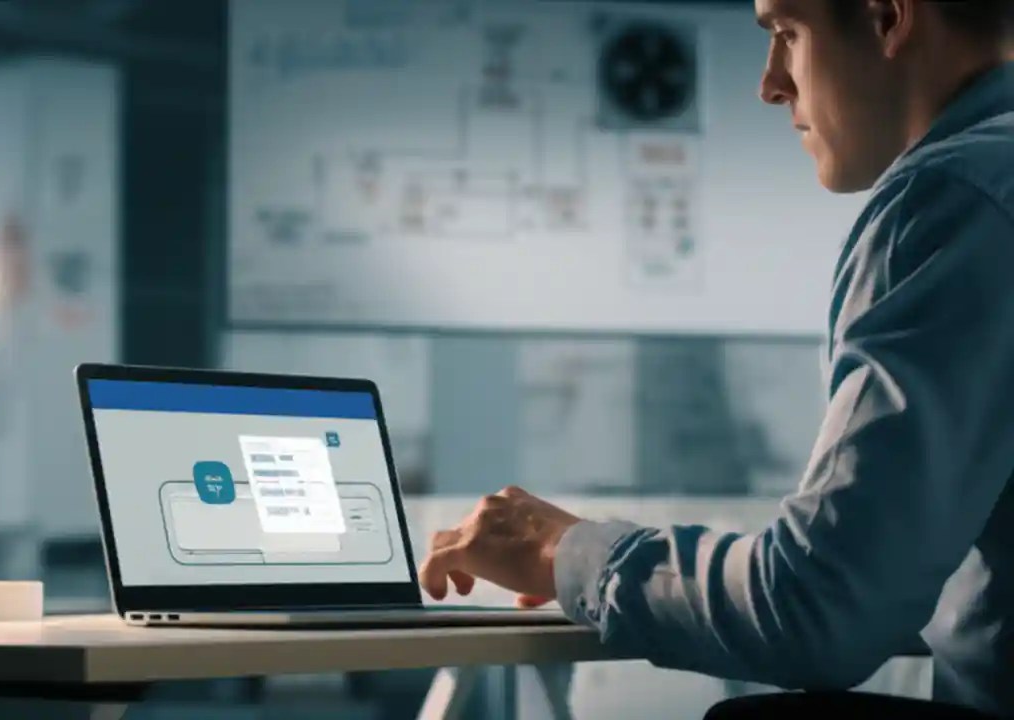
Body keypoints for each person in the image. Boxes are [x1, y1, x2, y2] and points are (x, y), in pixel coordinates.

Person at [417, 1, 1014, 717]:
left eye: (786, 33)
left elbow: (818, 611)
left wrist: (561, 552)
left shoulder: (954, 199)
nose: (770, 83)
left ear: (887, 16)